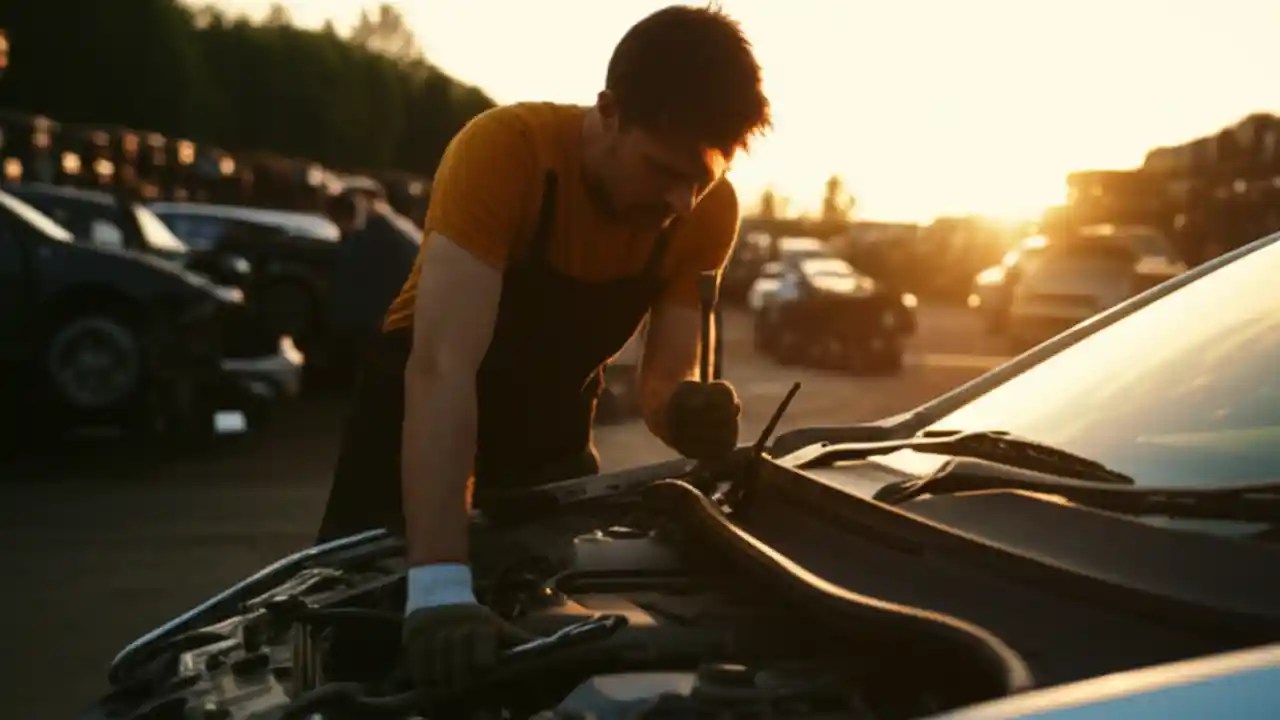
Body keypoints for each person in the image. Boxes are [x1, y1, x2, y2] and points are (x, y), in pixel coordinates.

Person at [315, 4, 771, 691]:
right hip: (413, 431)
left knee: (545, 667)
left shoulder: (707, 212)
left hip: (548, 448)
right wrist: (438, 586)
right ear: (609, 111)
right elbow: (442, 369)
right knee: (367, 663)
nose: (680, 201)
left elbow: (658, 386)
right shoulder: (507, 153)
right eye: (661, 171)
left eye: (698, 179)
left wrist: (686, 415)